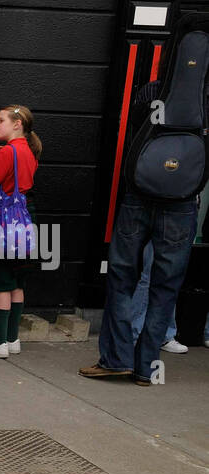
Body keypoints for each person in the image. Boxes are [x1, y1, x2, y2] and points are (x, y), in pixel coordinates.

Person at [82, 76, 198, 386]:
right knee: (165, 286)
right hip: (183, 200)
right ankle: (146, 368)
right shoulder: (204, 98)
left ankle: (115, 360)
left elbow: (136, 132)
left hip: (141, 193)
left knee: (122, 278)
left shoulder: (151, 90)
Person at [0, 104, 41, 359]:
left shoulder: (8, 153)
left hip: (2, 219)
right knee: (17, 280)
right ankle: (13, 338)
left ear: (17, 124)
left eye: (1, 120)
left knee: (0, 279)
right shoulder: (31, 151)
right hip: (24, 216)